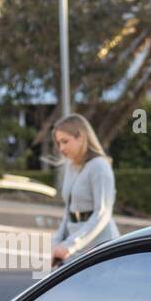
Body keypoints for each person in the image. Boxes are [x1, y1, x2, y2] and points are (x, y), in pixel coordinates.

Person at [49, 114, 118, 268]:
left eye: (65, 141)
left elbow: (102, 213)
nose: (61, 148)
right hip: (74, 245)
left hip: (100, 245)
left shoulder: (99, 166)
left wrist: (71, 245)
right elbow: (69, 210)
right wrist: (57, 241)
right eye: (58, 143)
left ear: (81, 137)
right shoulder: (71, 166)